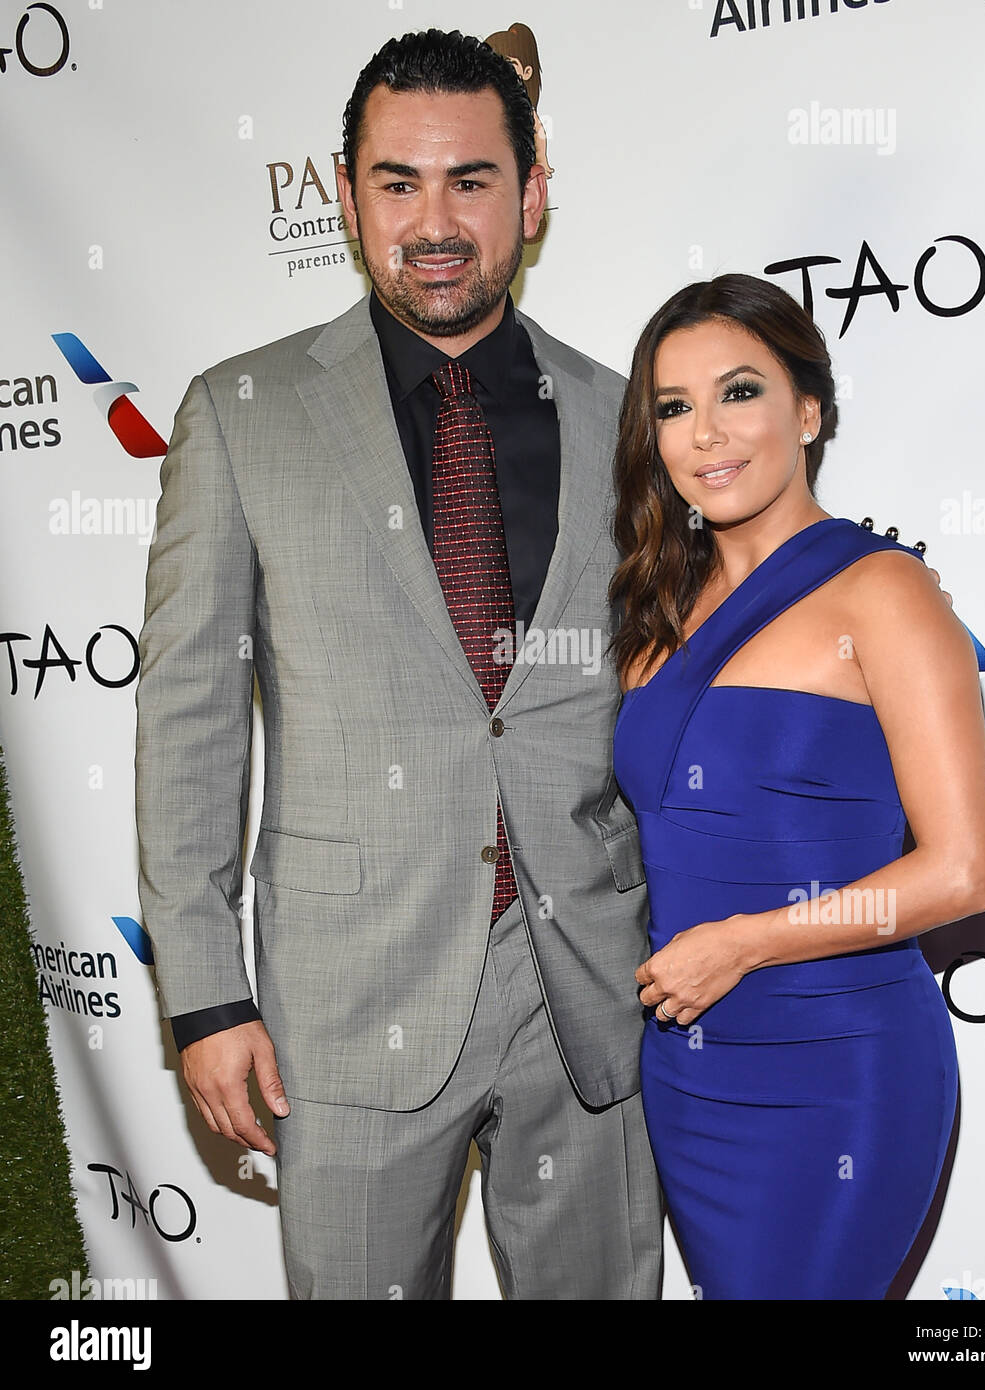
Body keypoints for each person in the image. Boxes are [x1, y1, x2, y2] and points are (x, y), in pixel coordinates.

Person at [134, 28, 662, 1300]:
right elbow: (191, 718)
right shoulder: (241, 412)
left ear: (531, 196)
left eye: (471, 181)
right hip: (343, 997)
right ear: (344, 189)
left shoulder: (627, 416)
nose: (435, 221)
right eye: (398, 181)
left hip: (584, 992)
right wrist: (206, 1001)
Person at [610, 273, 985, 1300]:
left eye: (740, 392)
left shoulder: (884, 590)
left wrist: (746, 942)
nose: (707, 433)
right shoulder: (658, 611)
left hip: (842, 1063)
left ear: (810, 410)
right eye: (674, 406)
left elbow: (961, 874)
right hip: (693, 1070)